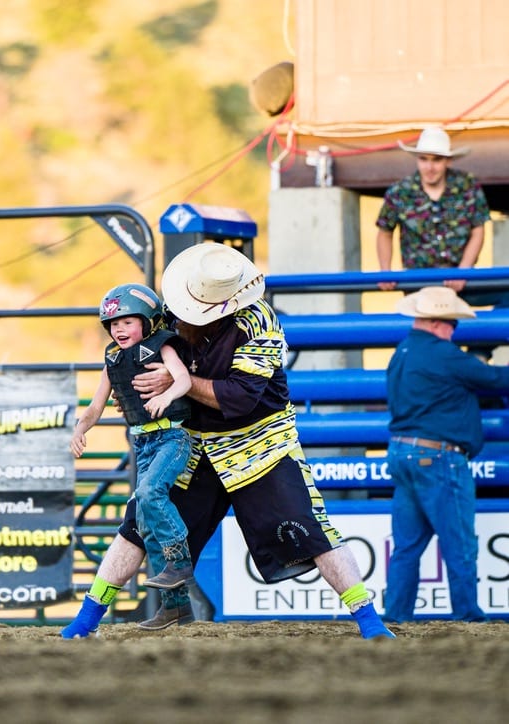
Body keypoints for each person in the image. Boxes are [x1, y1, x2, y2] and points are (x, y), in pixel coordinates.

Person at [64, 243, 395, 639]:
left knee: (312, 528)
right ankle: (86, 619)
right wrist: (132, 387)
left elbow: (239, 397)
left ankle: (368, 619)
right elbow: (134, 357)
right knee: (137, 522)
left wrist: (174, 382)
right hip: (189, 440)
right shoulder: (166, 314)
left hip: (259, 442)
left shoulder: (260, 323)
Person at [383, 286, 509, 622]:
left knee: (407, 549)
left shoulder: (402, 352)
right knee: (460, 545)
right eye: (453, 324)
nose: (453, 331)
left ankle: (396, 618)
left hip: (403, 454)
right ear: (440, 322)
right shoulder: (443, 354)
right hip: (438, 458)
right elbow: (496, 378)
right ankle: (468, 617)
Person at [69, 283, 193, 613]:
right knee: (145, 524)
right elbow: (96, 405)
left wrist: (167, 395)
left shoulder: (161, 346)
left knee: (152, 492)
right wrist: (81, 428)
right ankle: (177, 606)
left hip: (172, 438)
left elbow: (183, 380)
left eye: (127, 321)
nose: (119, 329)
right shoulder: (112, 358)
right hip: (142, 444)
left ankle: (180, 562)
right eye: (113, 324)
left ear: (149, 321)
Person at [375, 126, 503, 357]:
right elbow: (384, 230)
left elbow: (478, 229)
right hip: (421, 286)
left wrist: (463, 271)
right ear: (417, 160)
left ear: (448, 161)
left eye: (436, 160)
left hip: (461, 282)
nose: (430, 167)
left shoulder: (467, 186)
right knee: (434, 346)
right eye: (424, 159)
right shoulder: (400, 191)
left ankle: (479, 353)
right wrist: (386, 271)